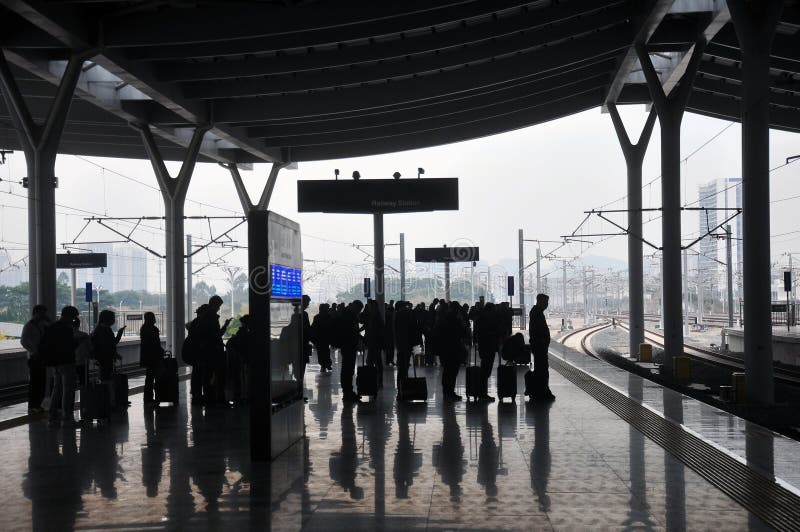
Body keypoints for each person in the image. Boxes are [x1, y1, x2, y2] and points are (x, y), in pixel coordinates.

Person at [39, 306, 79, 426]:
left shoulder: (53, 327)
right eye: (73, 317)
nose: (73, 320)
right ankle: (66, 416)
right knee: (68, 389)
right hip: (66, 362)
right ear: (68, 316)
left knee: (57, 389)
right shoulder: (65, 329)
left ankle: (52, 415)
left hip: (56, 363)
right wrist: (77, 338)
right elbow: (70, 346)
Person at [21, 304, 49, 413]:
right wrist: (34, 351)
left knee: (41, 381)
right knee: (35, 381)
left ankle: (38, 404)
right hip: (34, 357)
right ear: (36, 312)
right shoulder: (29, 325)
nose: (43, 315)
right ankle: (33, 405)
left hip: (41, 356)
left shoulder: (42, 325)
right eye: (41, 312)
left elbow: (52, 329)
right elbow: (23, 341)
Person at [529, 293, 555, 401]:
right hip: (539, 345)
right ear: (540, 302)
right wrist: (543, 341)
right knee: (542, 369)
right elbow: (537, 330)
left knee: (541, 369)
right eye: (545, 302)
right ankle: (542, 392)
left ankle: (540, 391)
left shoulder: (536, 312)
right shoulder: (536, 313)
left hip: (539, 345)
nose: (547, 304)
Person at [439, 301, 465, 401]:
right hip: (453, 349)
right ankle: (450, 392)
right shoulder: (455, 320)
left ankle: (447, 392)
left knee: (447, 371)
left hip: (444, 349)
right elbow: (462, 333)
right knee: (452, 372)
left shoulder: (443, 318)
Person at [340, 300, 363, 402]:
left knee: (347, 369)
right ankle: (347, 392)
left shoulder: (346, 314)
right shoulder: (349, 316)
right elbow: (352, 331)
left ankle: (348, 391)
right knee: (348, 370)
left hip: (347, 345)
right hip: (348, 345)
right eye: (358, 310)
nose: (358, 312)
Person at [93, 310, 125, 381]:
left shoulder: (100, 329)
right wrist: (119, 333)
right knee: (106, 377)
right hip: (105, 357)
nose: (114, 320)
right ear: (108, 319)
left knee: (105, 376)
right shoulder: (105, 330)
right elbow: (112, 343)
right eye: (113, 318)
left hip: (103, 357)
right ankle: (106, 390)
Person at [140, 312, 164, 406]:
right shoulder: (153, 329)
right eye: (153, 317)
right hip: (154, 357)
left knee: (149, 378)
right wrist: (161, 352)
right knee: (155, 378)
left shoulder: (144, 328)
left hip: (148, 357)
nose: (155, 319)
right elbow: (156, 344)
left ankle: (148, 399)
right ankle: (154, 398)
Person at [476, 303, 498, 402]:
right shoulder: (486, 320)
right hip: (487, 347)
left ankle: (482, 393)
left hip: (485, 347)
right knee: (485, 371)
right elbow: (488, 333)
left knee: (485, 370)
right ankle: (482, 393)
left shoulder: (481, 319)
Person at [311, 304, 333, 372]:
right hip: (326, 337)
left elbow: (314, 327)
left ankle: (323, 365)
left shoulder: (317, 317)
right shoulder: (329, 317)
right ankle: (327, 364)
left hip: (319, 337)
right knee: (326, 351)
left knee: (320, 352)